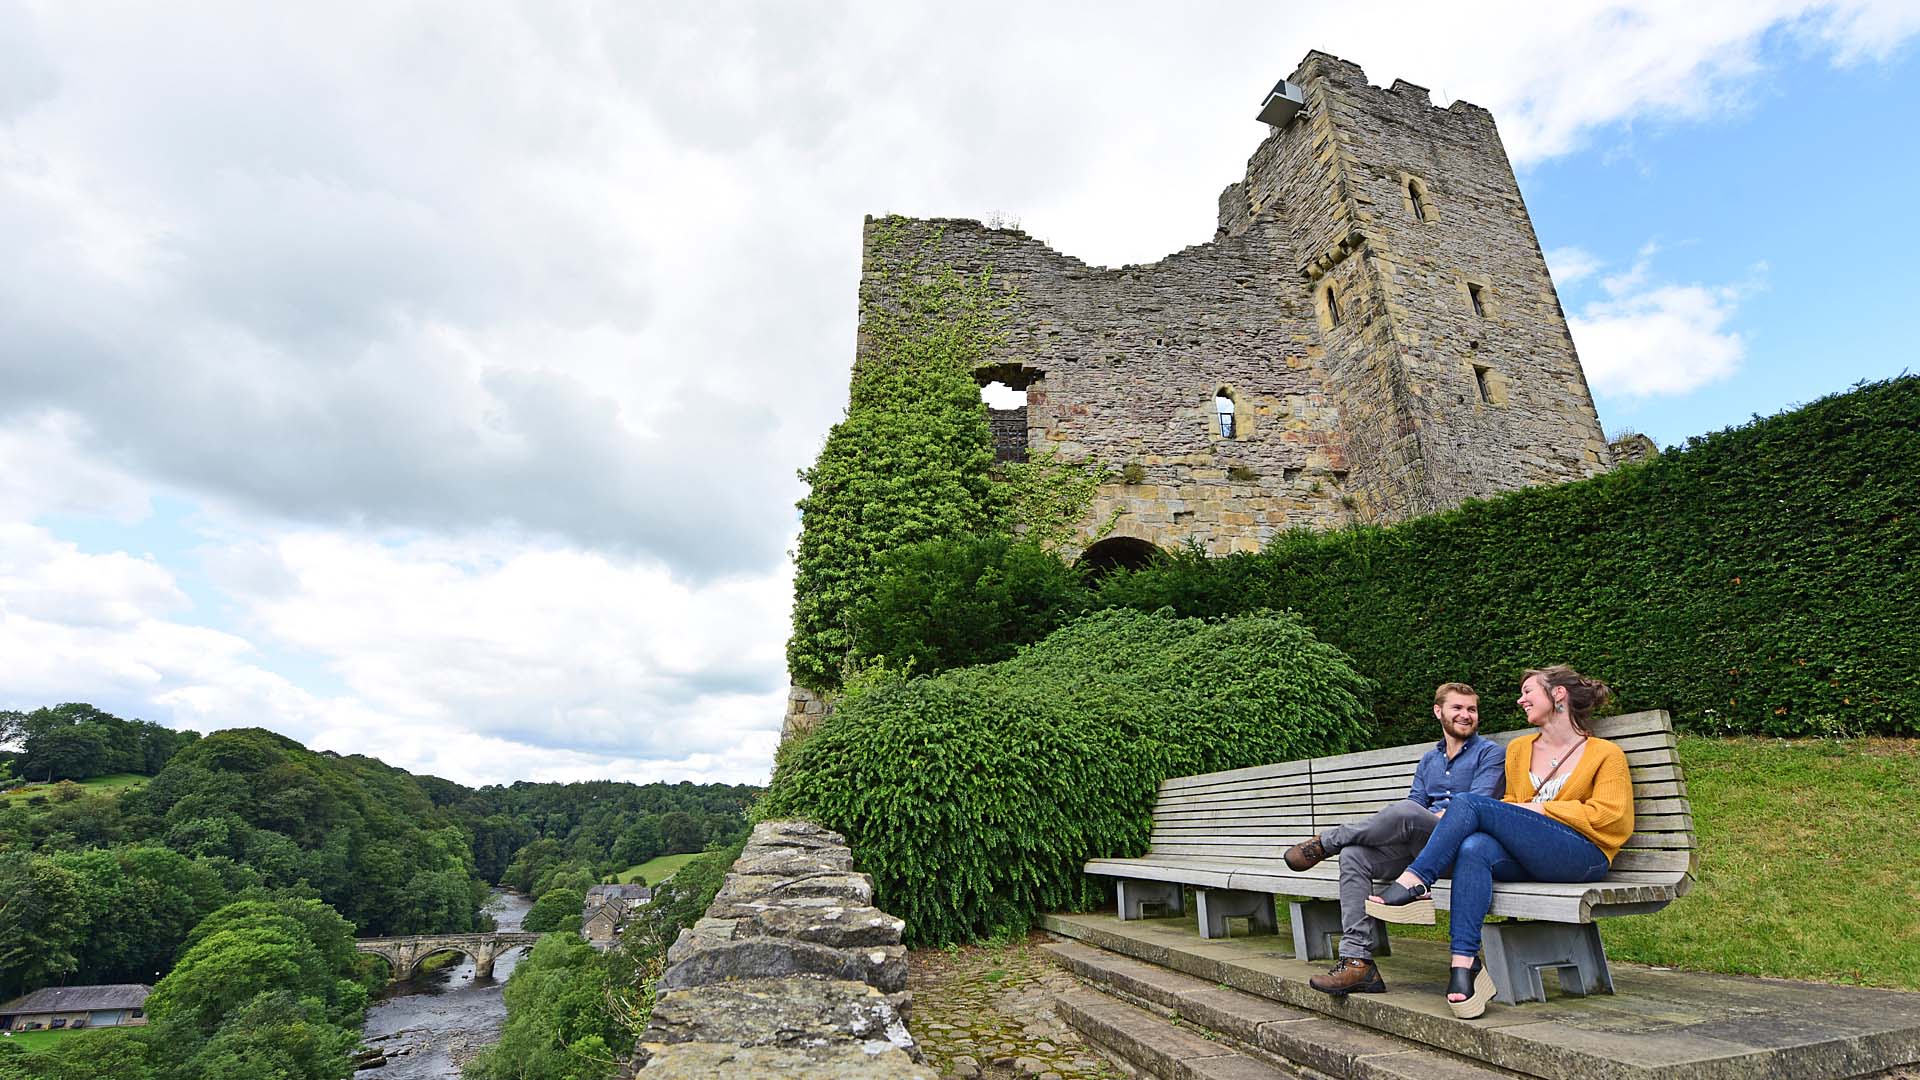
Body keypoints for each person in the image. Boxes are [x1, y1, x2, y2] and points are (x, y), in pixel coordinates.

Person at [1365, 665, 1633, 1020]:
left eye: (1528, 691)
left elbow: (1611, 816)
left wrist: (1540, 809)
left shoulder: (1604, 754)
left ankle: (1415, 880)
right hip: (1531, 854)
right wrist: (1522, 814)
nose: (1521, 700)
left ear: (1558, 694)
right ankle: (1464, 964)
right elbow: (1509, 806)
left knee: (1467, 802)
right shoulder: (1520, 749)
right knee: (1474, 848)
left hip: (1582, 855)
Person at [1284, 683, 1504, 997]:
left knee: (1405, 813)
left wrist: (1422, 817)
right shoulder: (1430, 760)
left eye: (1472, 709)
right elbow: (1416, 806)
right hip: (1421, 848)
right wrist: (1416, 819)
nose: (1466, 715)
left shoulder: (1490, 754)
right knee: (1354, 855)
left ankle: (1327, 841)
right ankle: (1358, 962)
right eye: (1457, 708)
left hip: (1465, 852)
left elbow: (1476, 808)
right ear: (1438, 711)